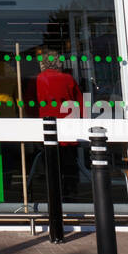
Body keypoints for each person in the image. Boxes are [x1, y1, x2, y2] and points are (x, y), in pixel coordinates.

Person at [25, 50, 83, 198]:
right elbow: (81, 105)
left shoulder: (35, 80)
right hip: (68, 131)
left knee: (50, 164)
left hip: (45, 130)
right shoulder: (68, 79)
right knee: (69, 166)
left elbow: (29, 106)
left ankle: (53, 193)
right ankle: (70, 193)